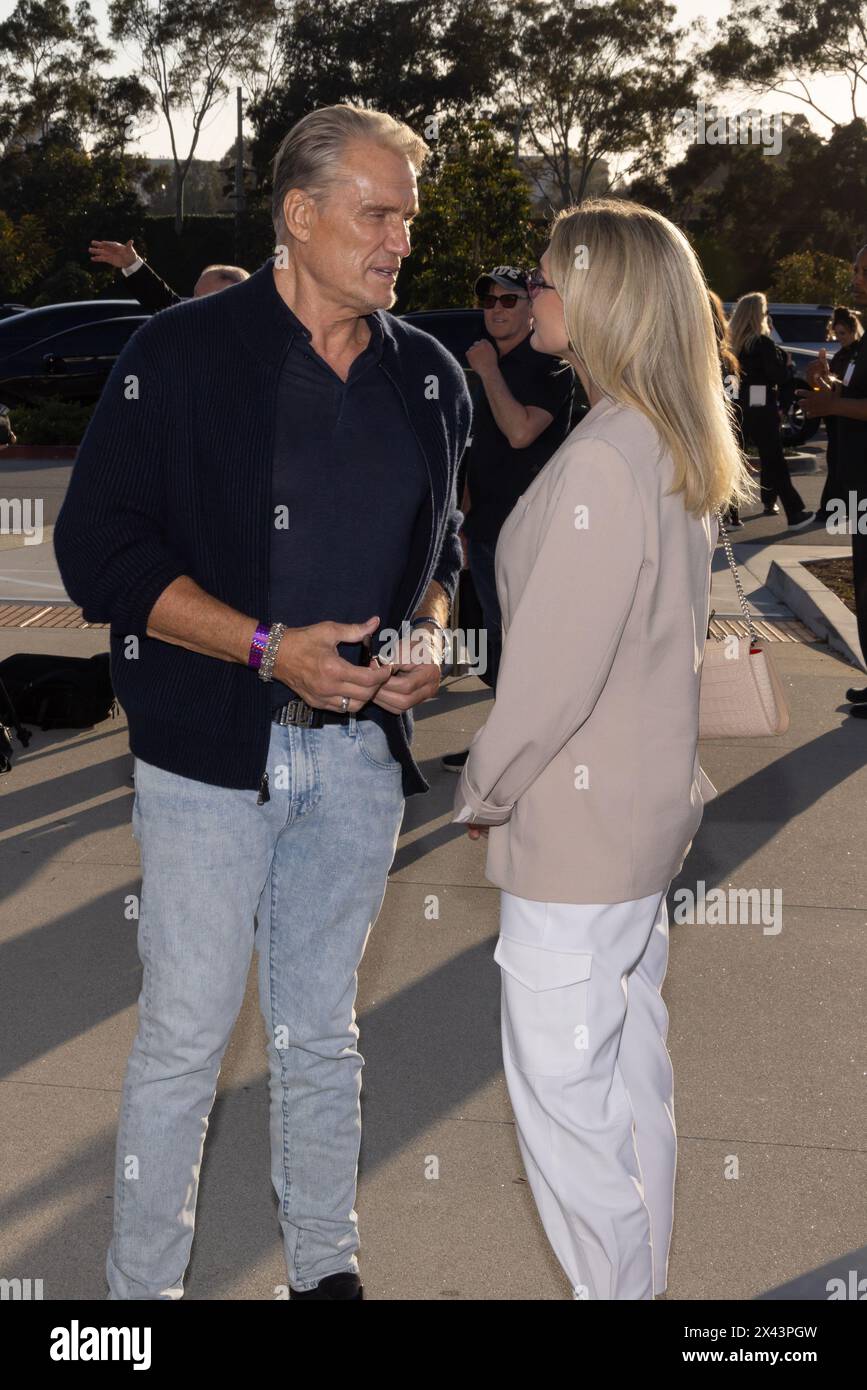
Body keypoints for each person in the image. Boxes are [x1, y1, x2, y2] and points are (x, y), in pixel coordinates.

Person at [54, 103, 471, 1301]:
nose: (401, 240)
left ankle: (325, 1272)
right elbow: (101, 555)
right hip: (204, 763)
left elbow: (445, 543)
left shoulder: (428, 376)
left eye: (408, 218)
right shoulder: (181, 355)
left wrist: (430, 635)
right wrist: (262, 646)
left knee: (320, 1036)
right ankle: (140, 1297)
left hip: (356, 765)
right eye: (376, 212)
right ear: (300, 215)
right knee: (184, 1044)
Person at [451, 197, 754, 1300]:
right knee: (627, 1087)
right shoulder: (660, 438)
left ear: (601, 296)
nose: (529, 294)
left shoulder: (604, 456)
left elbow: (549, 681)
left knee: (567, 1108)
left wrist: (479, 787)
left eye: (544, 276)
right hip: (638, 820)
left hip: (580, 837)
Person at [441, 265, 574, 772]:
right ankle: (505, 741)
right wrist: (465, 518)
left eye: (509, 300)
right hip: (487, 527)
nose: (496, 309)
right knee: (494, 643)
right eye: (489, 300)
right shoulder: (492, 362)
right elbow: (483, 447)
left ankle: (524, 752)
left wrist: (489, 372)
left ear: (530, 305)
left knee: (521, 648)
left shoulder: (546, 365)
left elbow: (520, 432)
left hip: (529, 532)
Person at [797, 246, 867, 716]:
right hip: (854, 479)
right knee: (862, 577)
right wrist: (824, 386)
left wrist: (833, 406)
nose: (856, 276)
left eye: (865, 269)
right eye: (856, 267)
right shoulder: (859, 345)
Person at [728, 292, 814, 529]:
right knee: (774, 460)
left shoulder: (732, 346)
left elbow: (728, 379)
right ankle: (795, 512)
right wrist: (786, 367)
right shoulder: (763, 344)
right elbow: (776, 375)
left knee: (732, 461)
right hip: (762, 406)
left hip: (737, 407)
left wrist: (732, 402)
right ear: (758, 316)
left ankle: (731, 515)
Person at [809, 306, 864, 524]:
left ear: (852, 331)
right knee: (836, 462)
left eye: (843, 334)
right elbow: (837, 385)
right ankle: (834, 508)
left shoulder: (858, 354)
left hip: (850, 417)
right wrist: (822, 375)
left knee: (843, 463)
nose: (840, 338)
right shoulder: (841, 355)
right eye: (837, 334)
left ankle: (833, 508)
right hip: (837, 417)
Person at [88, 238, 249, 312]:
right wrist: (131, 263)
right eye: (195, 296)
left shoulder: (257, 352)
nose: (192, 305)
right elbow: (166, 303)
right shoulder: (190, 323)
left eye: (204, 301)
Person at [708, 289, 744, 528]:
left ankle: (727, 513)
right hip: (722, 421)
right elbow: (733, 398)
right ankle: (732, 513)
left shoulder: (713, 357)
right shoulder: (727, 358)